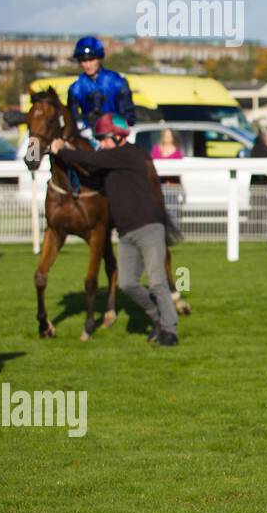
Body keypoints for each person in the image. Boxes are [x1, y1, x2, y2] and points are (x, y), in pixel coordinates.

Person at [50, 113, 178, 346]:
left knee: (157, 281)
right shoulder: (112, 160)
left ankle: (170, 330)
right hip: (127, 234)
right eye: (99, 139)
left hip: (149, 228)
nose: (101, 143)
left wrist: (62, 150)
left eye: (105, 139)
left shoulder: (129, 154)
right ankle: (158, 317)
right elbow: (90, 170)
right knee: (126, 284)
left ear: (119, 137)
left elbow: (91, 161)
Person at [67, 35, 136, 133]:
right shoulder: (75, 88)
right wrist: (85, 119)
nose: (88, 65)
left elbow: (129, 117)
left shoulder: (117, 82)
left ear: (99, 58)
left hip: (116, 134)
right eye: (84, 60)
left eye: (91, 60)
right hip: (88, 135)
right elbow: (72, 118)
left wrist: (109, 123)